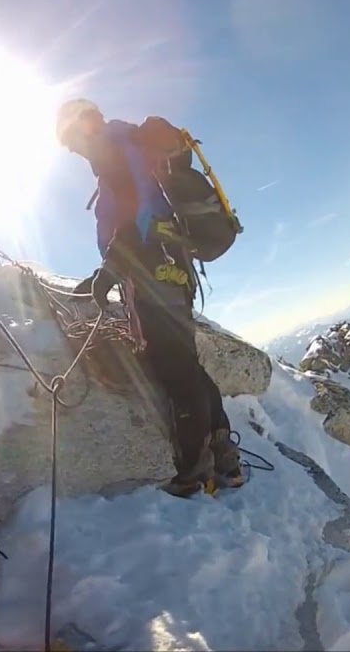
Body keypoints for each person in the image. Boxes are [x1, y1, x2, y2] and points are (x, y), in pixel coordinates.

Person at [56, 98, 244, 498]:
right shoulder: (129, 146)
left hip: (149, 269)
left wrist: (111, 267)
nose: (74, 150)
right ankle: (224, 457)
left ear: (80, 127)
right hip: (173, 267)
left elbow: (136, 216)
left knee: (174, 369)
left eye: (70, 140)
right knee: (187, 363)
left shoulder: (112, 152)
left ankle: (195, 471)